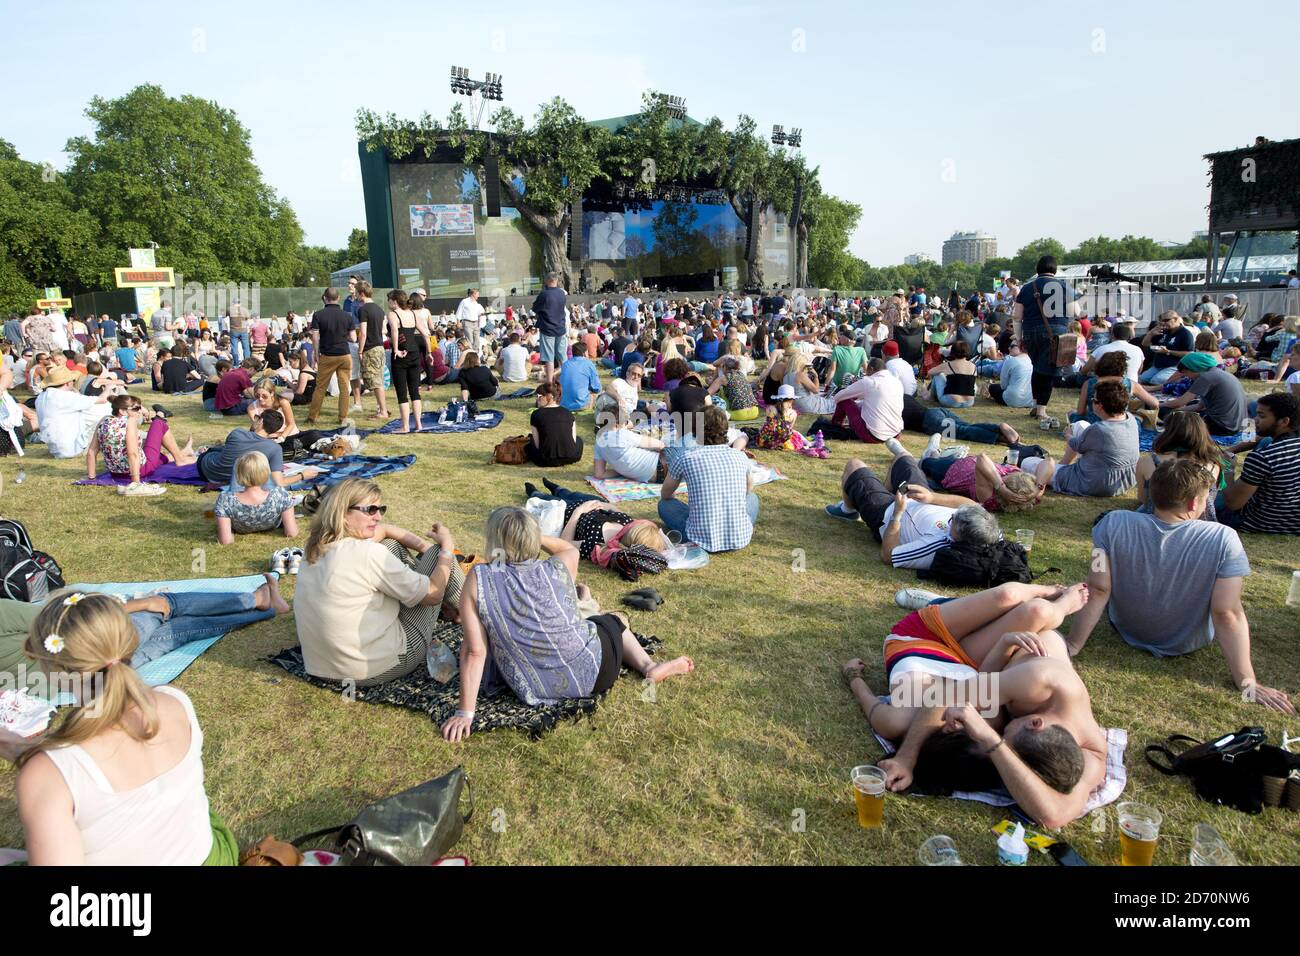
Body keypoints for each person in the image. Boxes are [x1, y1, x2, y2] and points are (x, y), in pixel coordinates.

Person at [12, 591, 249, 864]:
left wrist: (37, 764)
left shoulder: (48, 774)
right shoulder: (174, 702)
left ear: (52, 668)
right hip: (212, 858)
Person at [842, 581, 1106, 827]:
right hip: (969, 645)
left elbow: (1054, 815)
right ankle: (1055, 602)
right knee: (1033, 609)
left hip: (982, 658)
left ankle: (961, 607)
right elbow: (944, 697)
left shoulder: (1090, 753)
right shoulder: (1041, 684)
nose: (1003, 730)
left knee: (900, 721)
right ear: (1036, 723)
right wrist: (906, 757)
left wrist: (993, 742)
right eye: (1006, 735)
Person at [440, 507, 693, 741]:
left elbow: (475, 651)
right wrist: (533, 538)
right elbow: (569, 549)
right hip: (596, 674)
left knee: (593, 620)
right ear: (534, 538)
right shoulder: (558, 567)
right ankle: (648, 665)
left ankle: (647, 665)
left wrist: (465, 713)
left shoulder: (479, 578)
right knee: (610, 621)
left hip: (533, 687)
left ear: (493, 542)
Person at [1070, 459, 1294, 714]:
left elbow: (1099, 589)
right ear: (1193, 503)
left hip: (1127, 628)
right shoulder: (1222, 538)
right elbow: (1226, 613)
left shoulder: (1111, 523)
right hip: (1186, 641)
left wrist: (1073, 645)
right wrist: (1247, 682)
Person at [293, 479, 464, 686]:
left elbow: (384, 531)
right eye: (370, 510)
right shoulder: (368, 554)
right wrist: (446, 548)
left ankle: (450, 604)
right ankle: (472, 610)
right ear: (343, 513)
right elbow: (434, 592)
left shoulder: (315, 547)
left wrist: (421, 546)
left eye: (380, 509)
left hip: (321, 667)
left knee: (390, 545)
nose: (378, 516)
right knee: (438, 557)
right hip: (373, 668)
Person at [824, 440, 1004, 570]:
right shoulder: (989, 531)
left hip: (888, 515)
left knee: (854, 465)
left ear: (958, 536)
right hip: (921, 498)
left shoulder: (934, 546)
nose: (952, 516)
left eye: (953, 520)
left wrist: (897, 514)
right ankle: (885, 491)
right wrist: (931, 497)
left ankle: (848, 510)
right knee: (903, 458)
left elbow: (888, 555)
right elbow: (972, 504)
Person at [658, 405, 757, 552]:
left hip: (698, 538)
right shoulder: (740, 456)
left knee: (664, 505)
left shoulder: (685, 458)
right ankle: (738, 523)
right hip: (739, 538)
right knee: (753, 498)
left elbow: (666, 495)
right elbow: (748, 490)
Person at [1025, 380, 1138, 497]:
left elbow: (1078, 446)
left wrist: (1068, 436)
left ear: (1100, 406)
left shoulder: (1100, 429)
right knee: (1080, 425)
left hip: (1097, 483)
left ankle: (1059, 473)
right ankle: (1063, 465)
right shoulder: (1130, 419)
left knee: (1028, 462)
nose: (1092, 403)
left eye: (1093, 400)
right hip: (1125, 480)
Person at [1219, 391, 1300, 534]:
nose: (1255, 420)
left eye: (1261, 416)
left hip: (1259, 524)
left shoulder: (1262, 457)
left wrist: (1227, 468)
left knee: (1210, 498)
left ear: (1284, 421)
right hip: (1294, 524)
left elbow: (1232, 503)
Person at [1012, 255, 1078, 420]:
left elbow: (1017, 316)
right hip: (1056, 332)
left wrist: (1019, 337)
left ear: (1037, 269)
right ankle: (1042, 410)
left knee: (1037, 367)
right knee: (1049, 370)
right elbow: (1075, 312)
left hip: (1031, 331)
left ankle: (1035, 405)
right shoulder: (1066, 288)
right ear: (1055, 269)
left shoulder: (1027, 288)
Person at [86, 395, 197, 489]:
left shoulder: (104, 420)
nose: (139, 411)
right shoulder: (130, 422)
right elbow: (132, 453)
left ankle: (184, 452)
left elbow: (92, 451)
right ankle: (180, 459)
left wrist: (92, 478)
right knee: (158, 423)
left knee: (160, 458)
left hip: (115, 473)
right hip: (139, 470)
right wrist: (136, 483)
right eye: (136, 409)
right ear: (122, 411)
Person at [1134, 410, 1223, 521]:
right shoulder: (1213, 466)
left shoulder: (1147, 462)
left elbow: (1143, 498)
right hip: (1201, 522)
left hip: (1158, 520)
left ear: (1168, 432)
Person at [196, 411, 321, 489]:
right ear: (274, 432)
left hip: (207, 470)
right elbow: (280, 481)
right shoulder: (274, 449)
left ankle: (207, 449)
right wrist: (302, 475)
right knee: (221, 450)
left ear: (260, 421)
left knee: (215, 451)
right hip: (236, 480)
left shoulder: (237, 433)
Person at [916, 447, 1048, 514]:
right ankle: (942, 454)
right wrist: (1038, 488)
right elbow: (1049, 462)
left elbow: (982, 458)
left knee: (926, 462)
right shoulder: (1031, 494)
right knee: (940, 459)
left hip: (951, 471)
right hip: (968, 463)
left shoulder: (989, 497)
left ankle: (932, 454)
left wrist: (1001, 488)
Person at [214, 451, 299, 544]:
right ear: (267, 472)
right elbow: (292, 533)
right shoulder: (281, 495)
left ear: (238, 473)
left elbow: (226, 541)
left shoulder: (226, 500)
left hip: (240, 529)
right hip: (272, 525)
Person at [1158, 352, 1249, 437]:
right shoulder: (1218, 373)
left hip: (1222, 427)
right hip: (1238, 426)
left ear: (1194, 368)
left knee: (1164, 412)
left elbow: (1180, 402)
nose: (1187, 376)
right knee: (1177, 411)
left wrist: (1158, 405)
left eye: (1186, 373)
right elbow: (1199, 406)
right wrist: (1177, 411)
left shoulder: (1205, 377)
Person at [34, 366, 111, 459]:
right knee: (106, 410)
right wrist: (108, 387)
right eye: (73, 380)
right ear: (67, 383)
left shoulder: (42, 396)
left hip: (55, 447)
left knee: (90, 412)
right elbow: (102, 399)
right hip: (72, 448)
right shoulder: (65, 397)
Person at [307, 288, 356, 425]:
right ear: (338, 298)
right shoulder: (347, 316)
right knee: (344, 388)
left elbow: (315, 337)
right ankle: (342, 417)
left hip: (327, 355)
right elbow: (353, 337)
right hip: (345, 355)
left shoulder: (318, 315)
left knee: (320, 387)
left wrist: (315, 353)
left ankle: (312, 416)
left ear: (325, 298)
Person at [386, 290, 429, 433]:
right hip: (415, 354)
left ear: (395, 301)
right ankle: (418, 425)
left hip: (402, 356)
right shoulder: (412, 313)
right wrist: (428, 352)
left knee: (402, 392)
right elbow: (425, 333)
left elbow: (395, 331)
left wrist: (396, 349)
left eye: (389, 300)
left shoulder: (393, 314)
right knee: (415, 392)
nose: (388, 302)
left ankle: (405, 426)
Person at [354, 280, 390, 421]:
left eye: (357, 292)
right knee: (378, 379)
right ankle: (382, 409)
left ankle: (382, 411)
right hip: (380, 347)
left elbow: (363, 333)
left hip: (370, 348)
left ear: (362, 293)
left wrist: (360, 351)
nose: (355, 295)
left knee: (375, 382)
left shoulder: (363, 309)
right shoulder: (379, 309)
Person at [526, 382, 582, 467]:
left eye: (539, 396)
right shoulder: (568, 413)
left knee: (530, 442)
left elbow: (537, 444)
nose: (537, 399)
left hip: (545, 460)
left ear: (549, 396)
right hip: (571, 456)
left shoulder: (536, 414)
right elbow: (573, 440)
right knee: (579, 440)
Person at [1139, 310, 1195, 386]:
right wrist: (1151, 333)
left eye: (1166, 320)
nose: (1163, 323)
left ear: (1175, 319)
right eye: (1162, 321)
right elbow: (1145, 344)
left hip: (1174, 366)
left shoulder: (1185, 333)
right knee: (1142, 378)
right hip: (1158, 365)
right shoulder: (1163, 331)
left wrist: (1168, 352)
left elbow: (1189, 353)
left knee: (1156, 381)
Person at [925, 340, 977, 408]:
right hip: (969, 402)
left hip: (951, 401)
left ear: (952, 352)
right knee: (970, 381)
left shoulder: (948, 365)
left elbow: (930, 372)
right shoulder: (974, 366)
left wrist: (944, 373)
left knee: (938, 375)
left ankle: (931, 397)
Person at [707, 356, 759, 421]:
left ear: (724, 367)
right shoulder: (741, 375)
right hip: (754, 412)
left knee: (719, 396)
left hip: (740, 414)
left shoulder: (723, 378)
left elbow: (707, 394)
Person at [558, 340, 601, 411]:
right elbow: (596, 388)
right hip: (581, 404)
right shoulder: (589, 364)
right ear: (584, 353)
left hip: (564, 404)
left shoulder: (565, 364)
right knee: (603, 394)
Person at [987, 342, 1033, 407]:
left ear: (1020, 347)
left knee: (992, 387)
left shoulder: (1010, 360)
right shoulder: (1032, 360)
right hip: (1030, 400)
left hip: (1013, 400)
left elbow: (1003, 386)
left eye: (1012, 346)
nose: (1008, 348)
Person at [456, 288, 485, 354]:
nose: (478, 296)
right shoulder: (464, 301)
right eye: (477, 294)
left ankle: (475, 354)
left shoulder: (477, 304)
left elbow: (480, 313)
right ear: (473, 294)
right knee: (470, 339)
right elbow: (459, 311)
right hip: (467, 322)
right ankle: (470, 354)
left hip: (476, 323)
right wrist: (458, 322)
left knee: (477, 340)